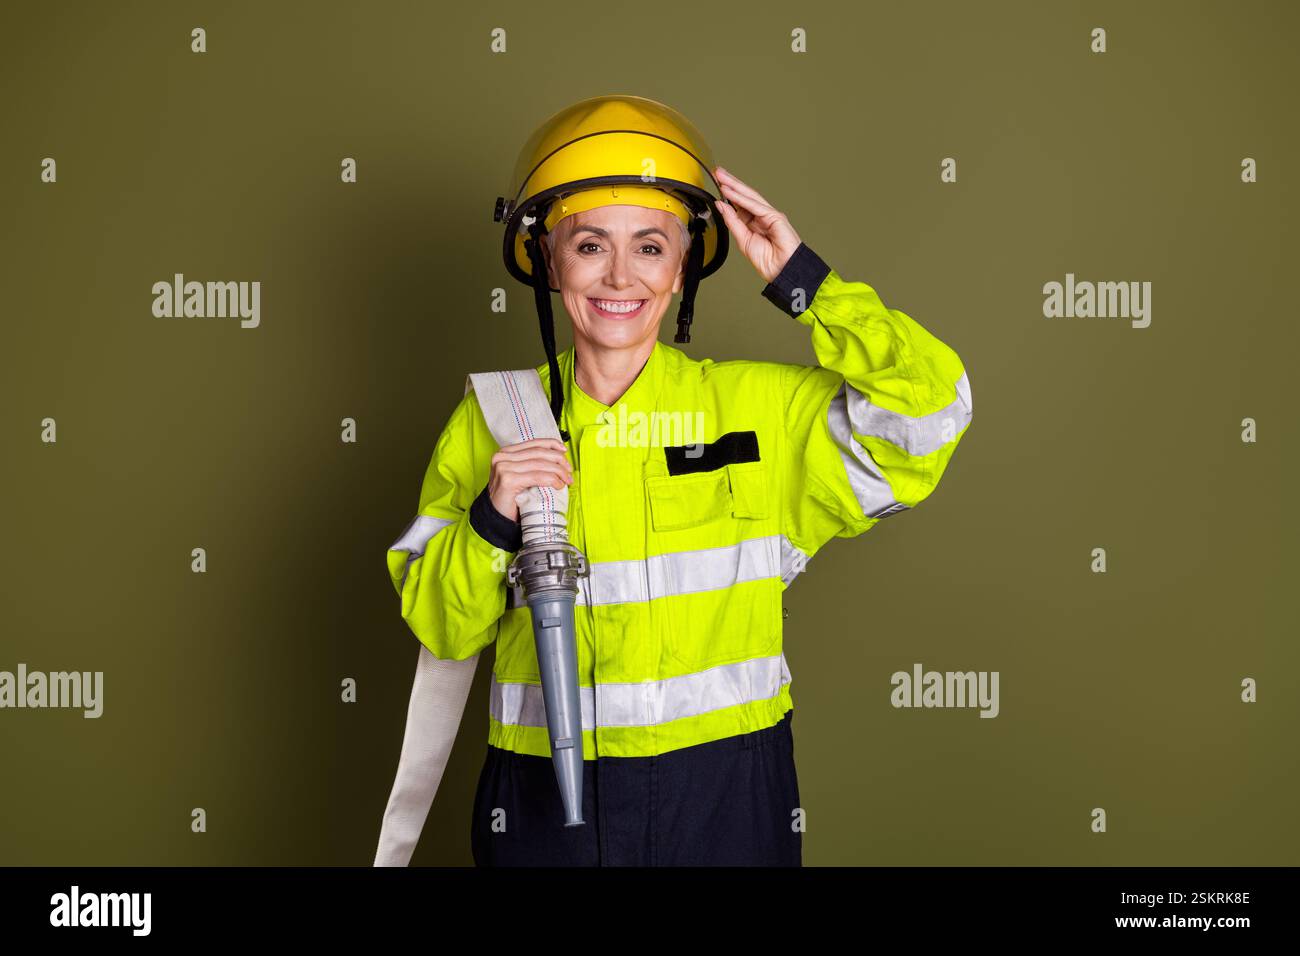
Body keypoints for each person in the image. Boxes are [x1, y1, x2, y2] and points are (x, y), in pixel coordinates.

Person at [384, 95, 974, 866]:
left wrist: (805, 285)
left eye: (651, 247)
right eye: (590, 245)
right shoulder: (493, 419)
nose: (619, 275)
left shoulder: (759, 412)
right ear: (548, 260)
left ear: (683, 266)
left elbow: (930, 410)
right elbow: (438, 624)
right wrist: (494, 519)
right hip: (542, 804)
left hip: (727, 798)